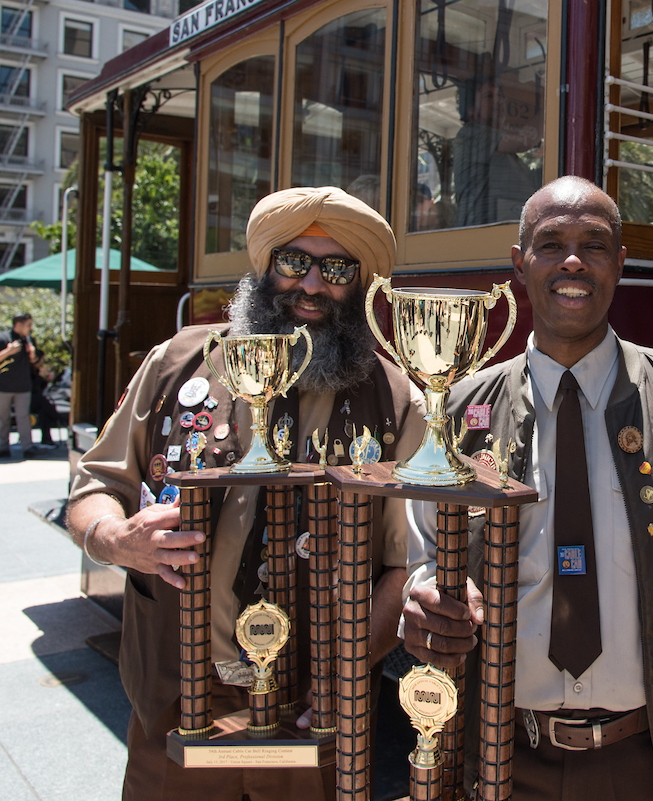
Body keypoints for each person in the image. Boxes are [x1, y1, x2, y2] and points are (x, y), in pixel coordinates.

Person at [66, 186, 426, 801]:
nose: (311, 284)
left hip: (310, 718)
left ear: (361, 285)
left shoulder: (395, 401)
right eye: (294, 262)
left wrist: (349, 667)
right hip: (175, 702)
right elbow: (96, 486)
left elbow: (407, 563)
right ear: (265, 267)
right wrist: (116, 537)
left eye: (336, 269)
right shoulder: (176, 364)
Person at [401, 176, 653, 801]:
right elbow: (421, 560)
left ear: (620, 265)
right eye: (550, 244)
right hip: (501, 758)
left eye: (595, 244)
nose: (573, 261)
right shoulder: (457, 415)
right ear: (519, 264)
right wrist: (423, 600)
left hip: (650, 761)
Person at [453, 77, 543, 227]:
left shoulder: (509, 157)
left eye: (500, 95)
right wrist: (550, 104)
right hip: (479, 233)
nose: (498, 100)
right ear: (471, 110)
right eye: (489, 96)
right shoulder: (471, 134)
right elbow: (523, 141)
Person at [0, 311, 37, 458]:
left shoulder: (28, 339)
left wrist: (32, 354)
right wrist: (8, 351)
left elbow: (34, 363)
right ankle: (2, 447)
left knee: (23, 417)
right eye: (28, 325)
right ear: (18, 324)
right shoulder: (3, 338)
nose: (30, 328)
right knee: (3, 418)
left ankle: (27, 447)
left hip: (23, 386)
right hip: (3, 386)